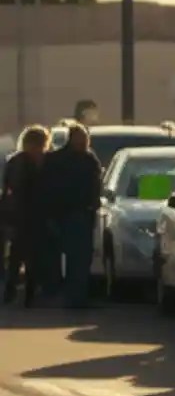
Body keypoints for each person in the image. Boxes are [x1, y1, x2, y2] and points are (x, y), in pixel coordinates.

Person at [43, 123, 102, 309]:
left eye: (85, 139)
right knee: (70, 256)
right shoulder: (57, 160)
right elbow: (48, 189)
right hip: (63, 214)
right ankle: (68, 294)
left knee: (81, 257)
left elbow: (95, 186)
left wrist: (94, 206)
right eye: (80, 138)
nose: (83, 142)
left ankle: (78, 296)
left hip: (82, 213)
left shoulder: (90, 159)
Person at [2, 126, 51, 306]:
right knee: (28, 256)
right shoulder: (37, 162)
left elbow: (7, 190)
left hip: (22, 215)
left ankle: (15, 289)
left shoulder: (15, 161)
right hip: (29, 214)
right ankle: (26, 291)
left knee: (19, 256)